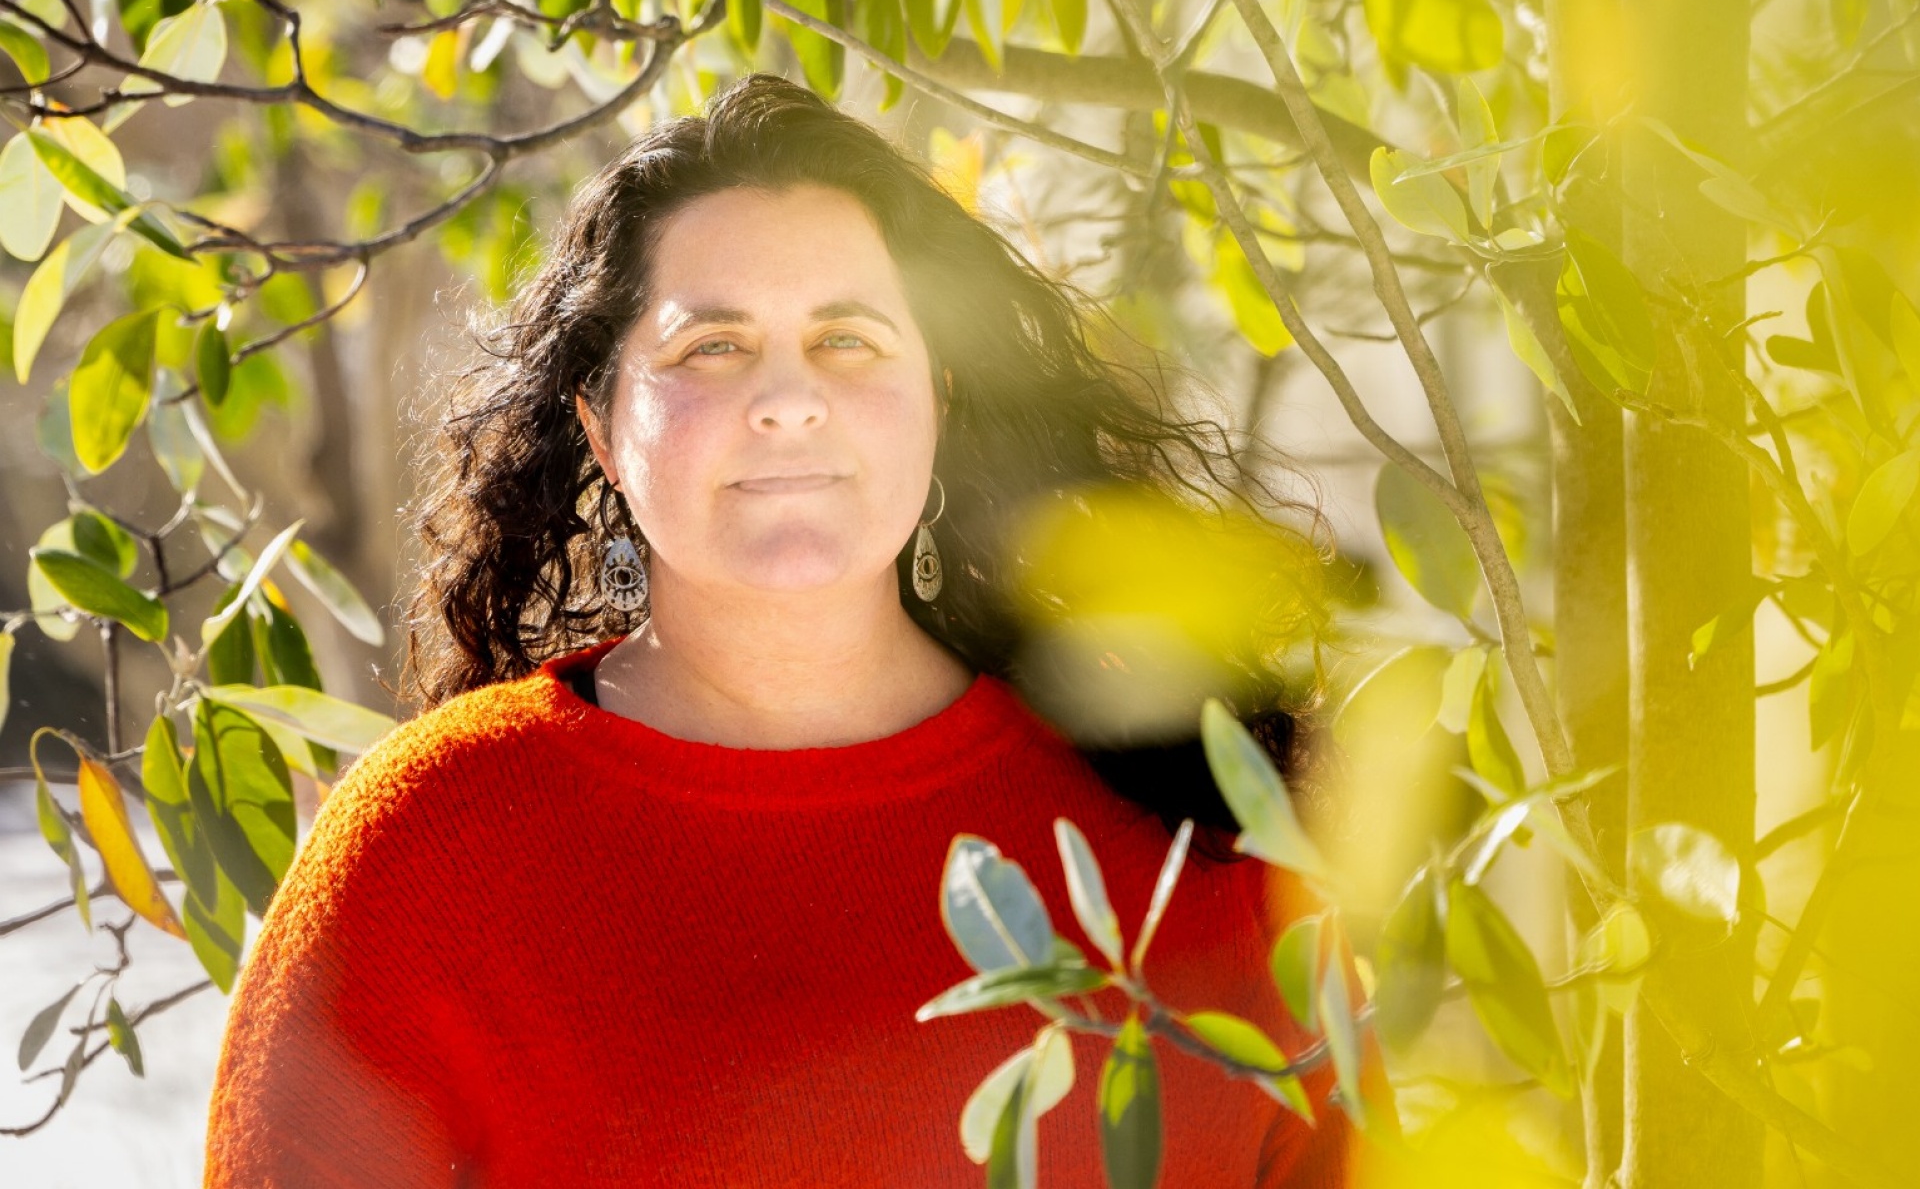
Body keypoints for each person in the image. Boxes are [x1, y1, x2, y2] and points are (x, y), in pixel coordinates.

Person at [202, 73, 1349, 1187]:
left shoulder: (1200, 824)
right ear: (601, 430)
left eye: (848, 339)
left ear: (938, 397)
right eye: (714, 346)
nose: (789, 397)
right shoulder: (428, 852)